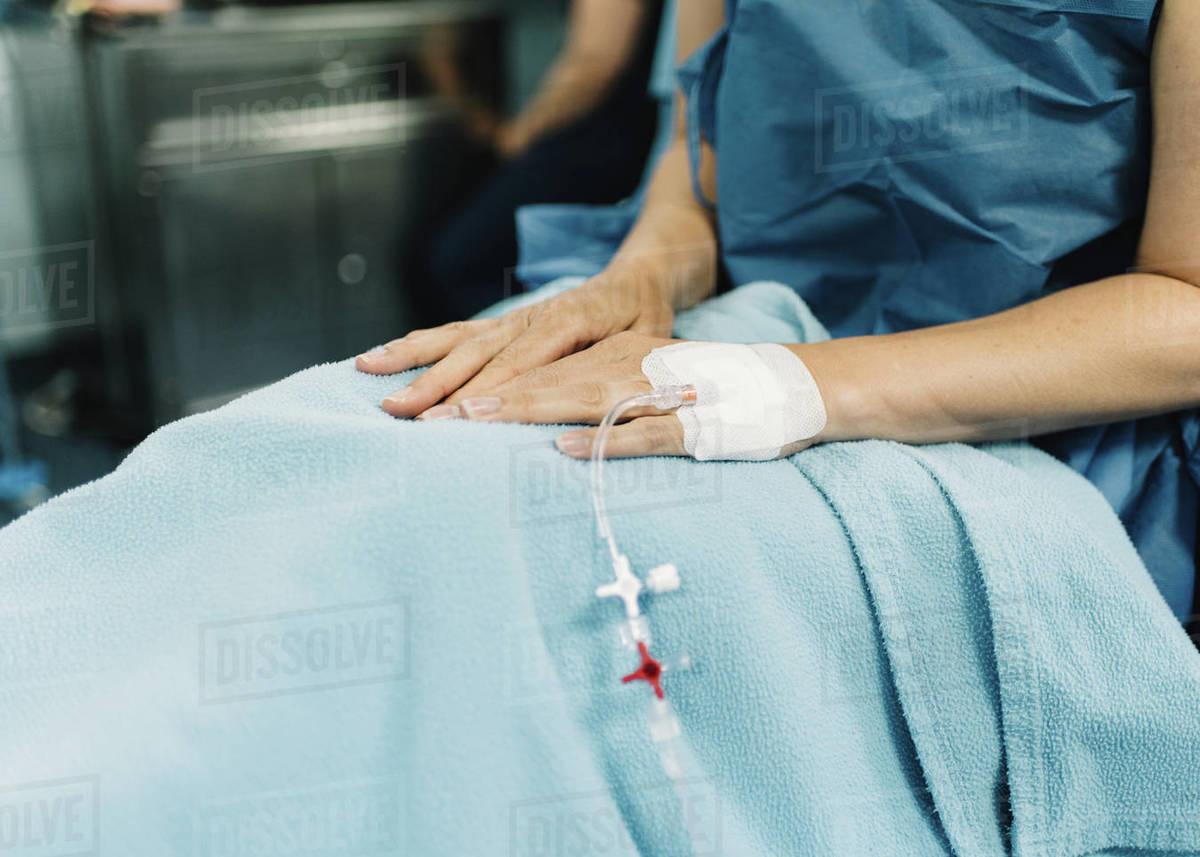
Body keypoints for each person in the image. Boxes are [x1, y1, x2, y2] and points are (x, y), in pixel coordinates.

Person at [360, 0, 1200, 618]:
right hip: (743, 327)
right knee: (385, 466)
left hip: (1038, 415)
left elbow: (1186, 306)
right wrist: (640, 278)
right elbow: (698, 175)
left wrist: (778, 389)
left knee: (534, 577)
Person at [419, 0, 664, 322]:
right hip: (600, 137)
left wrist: (521, 133)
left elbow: (596, 60)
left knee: (463, 263)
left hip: (608, 141)